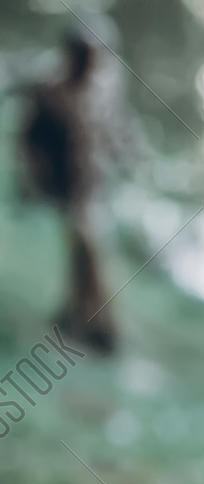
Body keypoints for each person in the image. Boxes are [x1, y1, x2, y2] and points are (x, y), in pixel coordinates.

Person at [17, 29, 120, 353]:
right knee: (85, 248)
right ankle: (94, 320)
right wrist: (37, 176)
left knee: (85, 248)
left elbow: (106, 135)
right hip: (68, 185)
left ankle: (83, 314)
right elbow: (29, 140)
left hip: (89, 183)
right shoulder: (50, 94)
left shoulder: (95, 93)